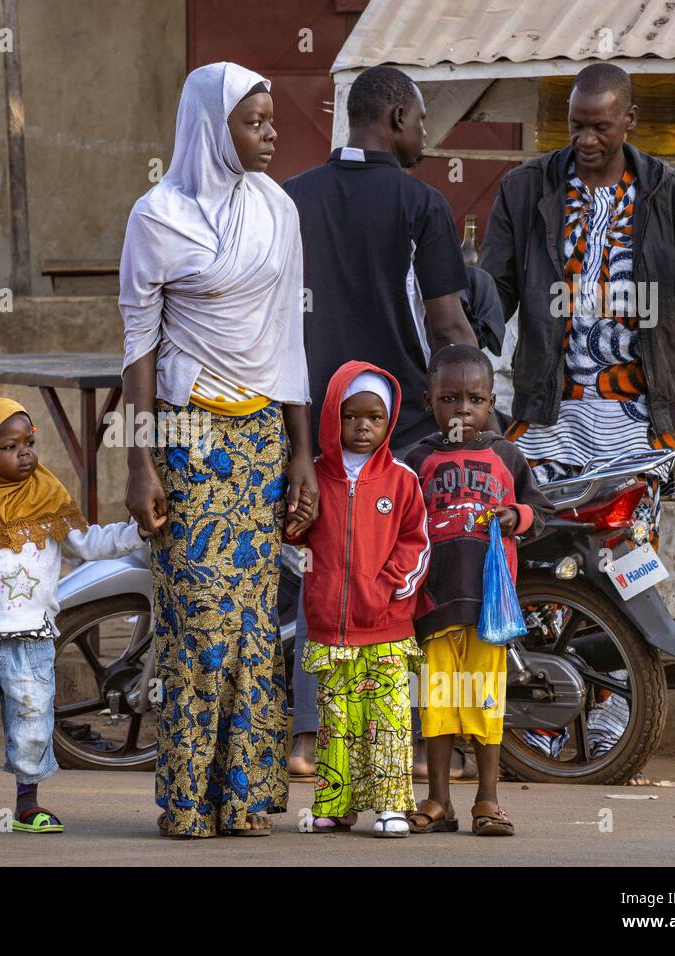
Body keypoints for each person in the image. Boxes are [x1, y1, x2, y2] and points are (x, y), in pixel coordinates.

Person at [119, 62, 317, 838]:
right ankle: (187, 799)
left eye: (271, 120)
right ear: (211, 125)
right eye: (254, 121)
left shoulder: (278, 210)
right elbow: (137, 347)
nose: (270, 134)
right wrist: (139, 462)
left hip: (262, 436)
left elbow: (288, 341)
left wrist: (300, 453)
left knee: (255, 625)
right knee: (200, 624)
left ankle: (244, 797)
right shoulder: (158, 215)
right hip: (189, 438)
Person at [282, 65, 485, 779]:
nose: (427, 137)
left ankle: (309, 740)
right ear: (397, 117)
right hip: (399, 431)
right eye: (424, 122)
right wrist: (479, 399)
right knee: (422, 575)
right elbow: (447, 320)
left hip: (309, 430)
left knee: (321, 574)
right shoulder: (419, 204)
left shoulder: (290, 198)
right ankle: (445, 740)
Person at [479, 63, 675, 493]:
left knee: (631, 548)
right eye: (577, 125)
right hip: (548, 415)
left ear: (631, 119)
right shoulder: (524, 190)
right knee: (546, 545)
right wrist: (460, 322)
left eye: (600, 127)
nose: (586, 140)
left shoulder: (671, 195)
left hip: (639, 416)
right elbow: (497, 291)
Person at [0, 398, 153, 835]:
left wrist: (134, 533)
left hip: (31, 639)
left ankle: (28, 806)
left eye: (29, 443)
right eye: (9, 447)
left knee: (32, 723)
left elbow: (87, 544)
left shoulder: (47, 497)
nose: (25, 453)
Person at [403, 345, 553, 837]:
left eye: (474, 399)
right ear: (429, 401)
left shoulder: (507, 455)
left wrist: (517, 517)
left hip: (489, 608)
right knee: (439, 704)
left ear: (491, 403)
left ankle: (488, 800)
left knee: (487, 706)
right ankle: (439, 799)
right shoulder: (418, 459)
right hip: (435, 603)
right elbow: (402, 526)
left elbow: (539, 512)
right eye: (449, 398)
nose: (461, 409)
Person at [285, 361, 429, 835]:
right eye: (351, 417)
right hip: (330, 630)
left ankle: (390, 805)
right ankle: (335, 804)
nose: (363, 426)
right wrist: (297, 527)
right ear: (332, 417)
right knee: (335, 726)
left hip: (386, 629)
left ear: (389, 423)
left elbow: (416, 542)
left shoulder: (402, 481)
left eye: (375, 418)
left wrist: (386, 588)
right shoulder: (314, 476)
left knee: (386, 724)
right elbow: (295, 543)